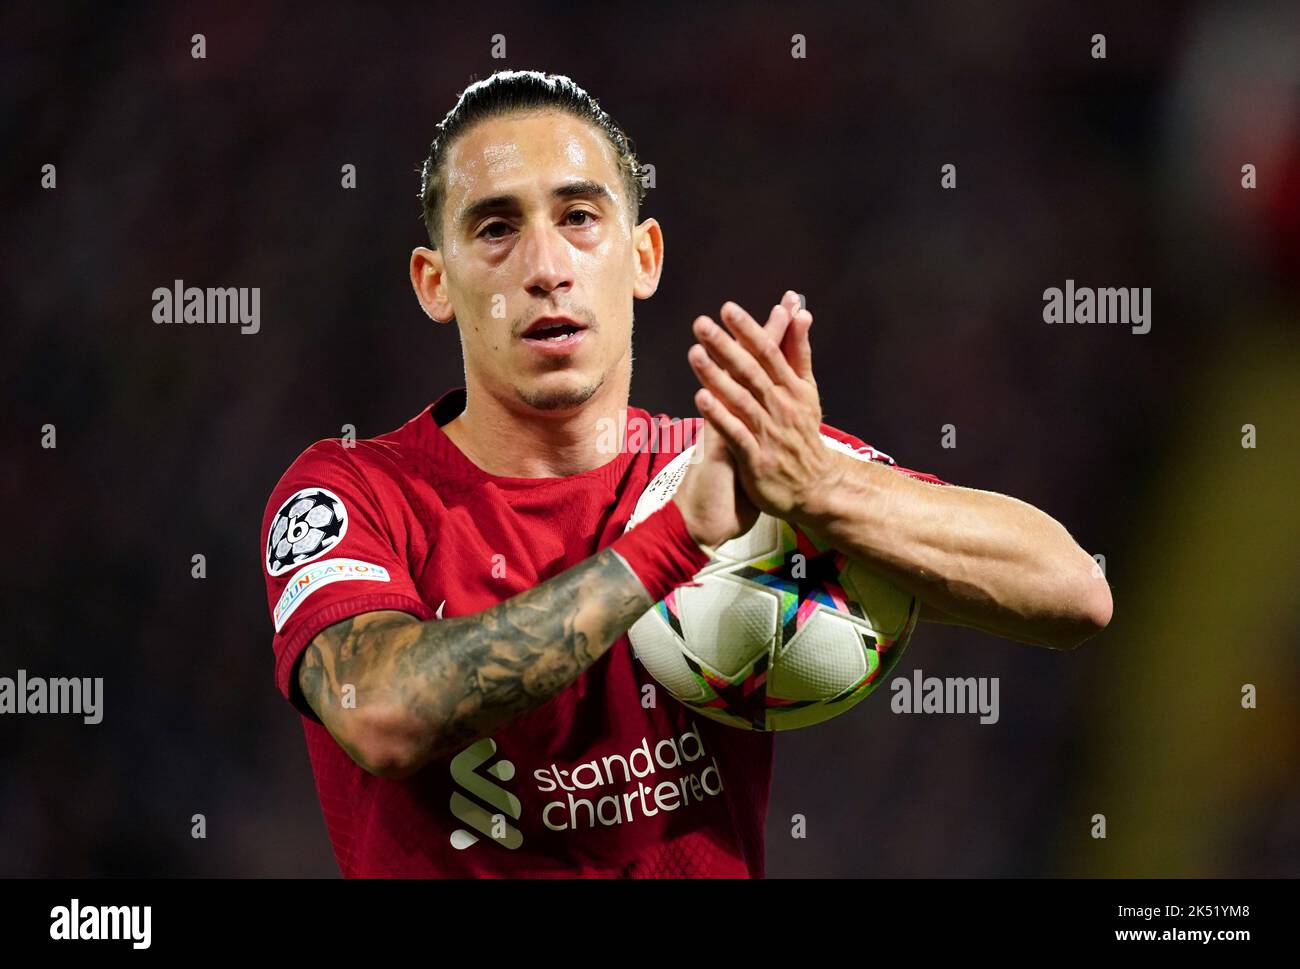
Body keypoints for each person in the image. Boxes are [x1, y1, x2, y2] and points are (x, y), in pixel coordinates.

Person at [260, 69, 1111, 877]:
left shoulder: (734, 467)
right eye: (496, 228)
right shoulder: (352, 491)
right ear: (434, 282)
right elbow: (383, 713)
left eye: (580, 217)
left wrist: (821, 485)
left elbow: (1074, 593)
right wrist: (679, 540)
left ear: (643, 257)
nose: (545, 265)